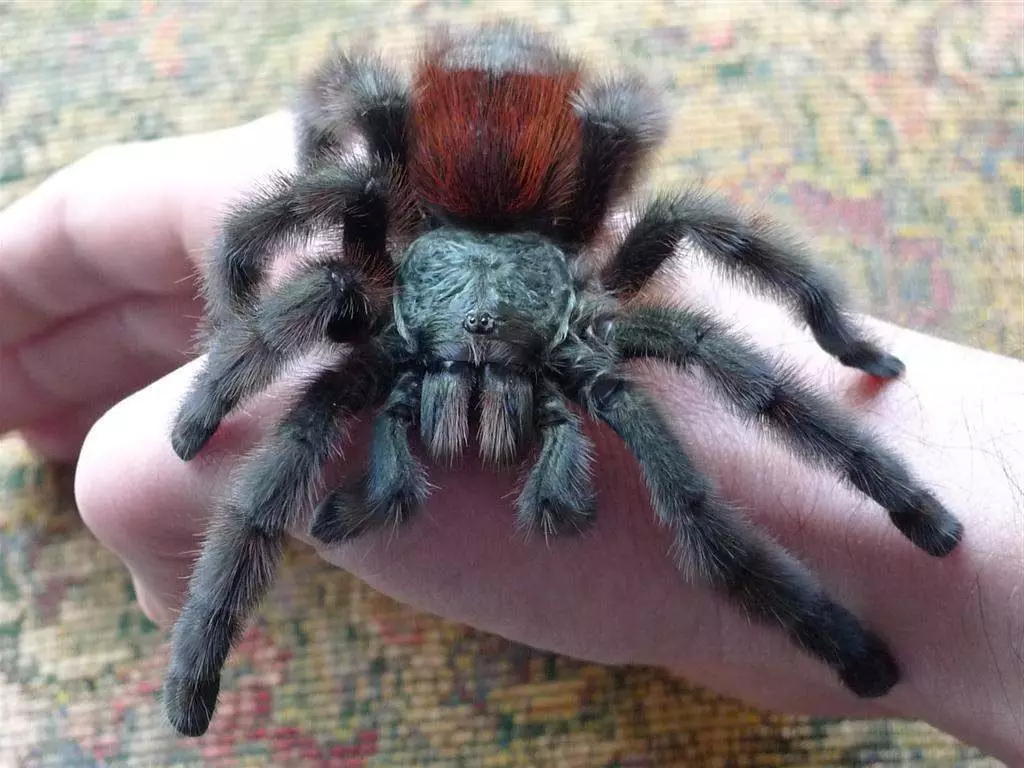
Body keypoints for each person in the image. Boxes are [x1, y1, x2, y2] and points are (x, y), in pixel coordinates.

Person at [1, 113, 1021, 763]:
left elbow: (725, 318)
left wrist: (917, 504)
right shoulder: (369, 270)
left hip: (542, 300)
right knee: (274, 460)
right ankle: (197, 666)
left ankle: (831, 628)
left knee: (697, 475)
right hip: (443, 293)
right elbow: (269, 248)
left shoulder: (614, 309)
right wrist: (219, 376)